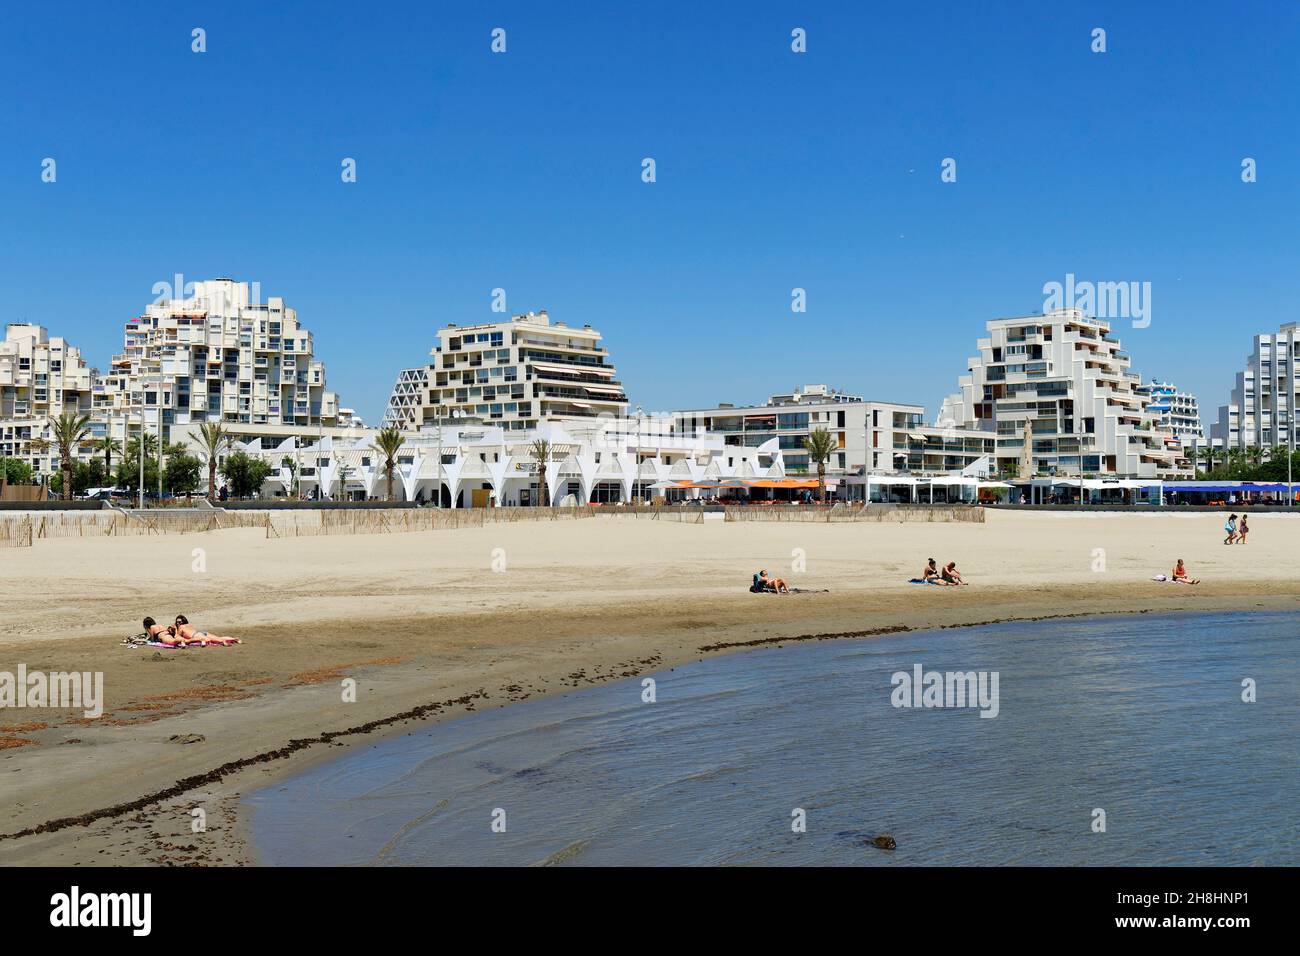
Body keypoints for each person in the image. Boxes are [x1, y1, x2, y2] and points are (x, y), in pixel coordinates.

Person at [173, 615, 241, 646]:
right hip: (201, 632)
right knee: (218, 638)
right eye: (177, 622)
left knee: (215, 640)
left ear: (183, 622)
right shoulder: (189, 625)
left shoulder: (181, 627)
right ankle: (234, 639)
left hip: (197, 635)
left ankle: (224, 642)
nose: (178, 623)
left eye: (179, 622)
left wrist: (175, 630)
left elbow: (178, 636)